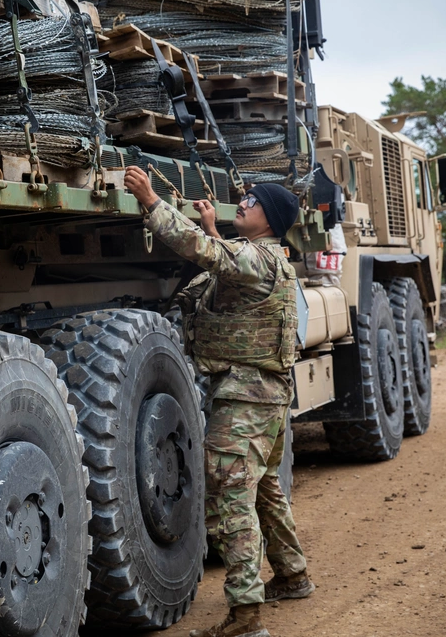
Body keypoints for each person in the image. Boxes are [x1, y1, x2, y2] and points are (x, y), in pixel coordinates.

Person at [123, 166, 314, 637]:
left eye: (251, 202)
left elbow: (204, 253)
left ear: (268, 219)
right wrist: (211, 229)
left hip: (246, 398)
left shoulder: (260, 260)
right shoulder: (261, 257)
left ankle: (246, 616)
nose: (241, 204)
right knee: (265, 487)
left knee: (232, 499)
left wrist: (151, 202)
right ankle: (292, 575)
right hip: (261, 395)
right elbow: (220, 259)